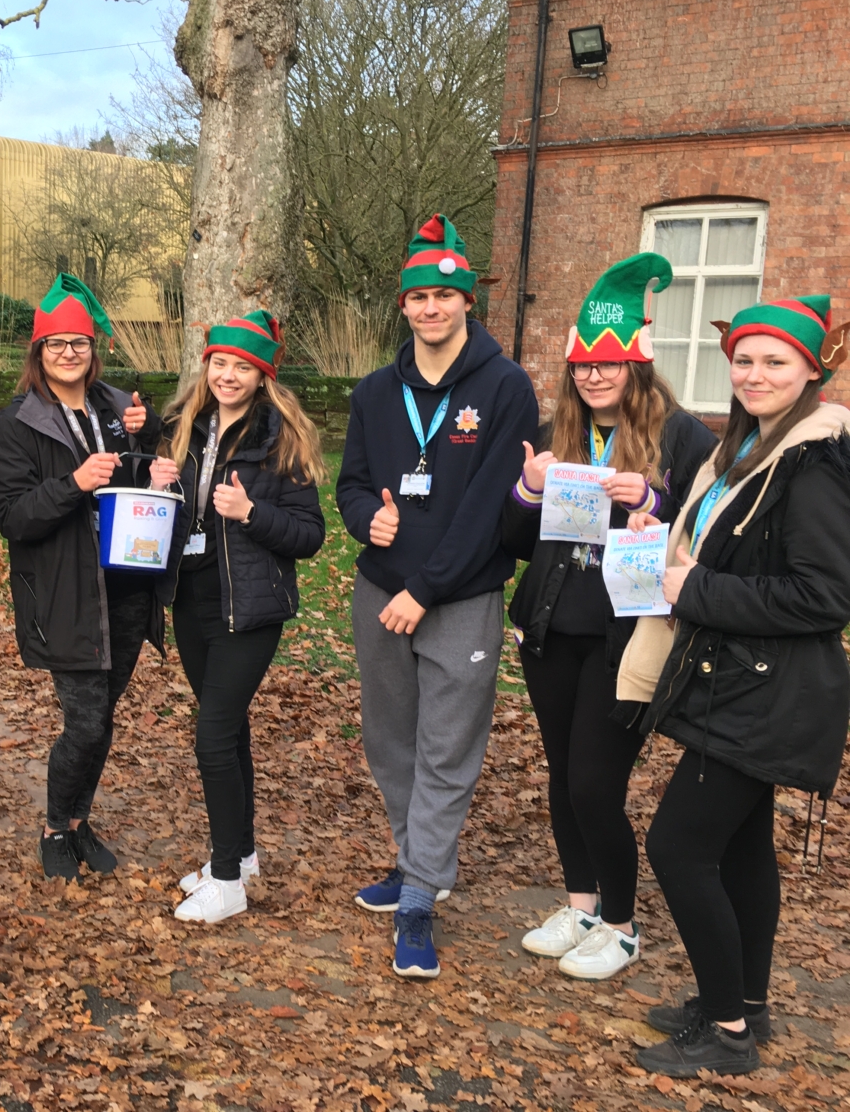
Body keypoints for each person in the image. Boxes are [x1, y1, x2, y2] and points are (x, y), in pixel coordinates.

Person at [618, 296, 850, 1078]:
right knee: (743, 850)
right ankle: (746, 1002)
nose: (754, 374)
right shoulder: (746, 446)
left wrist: (695, 588)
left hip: (770, 694)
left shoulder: (814, 461)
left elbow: (823, 597)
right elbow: (730, 552)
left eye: (774, 361)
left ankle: (725, 1032)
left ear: (812, 371)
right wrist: (674, 552)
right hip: (738, 683)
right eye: (744, 359)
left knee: (678, 846)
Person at [502, 254, 716, 980]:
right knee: (564, 775)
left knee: (596, 781)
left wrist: (652, 505)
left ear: (638, 366)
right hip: (553, 628)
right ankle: (582, 904)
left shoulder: (684, 438)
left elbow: (707, 539)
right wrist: (527, 492)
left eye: (611, 362)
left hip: (629, 637)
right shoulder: (548, 430)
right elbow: (511, 544)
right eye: (584, 365)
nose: (595, 376)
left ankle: (621, 925)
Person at [337, 214, 538, 978]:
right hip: (380, 591)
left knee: (446, 748)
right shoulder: (374, 391)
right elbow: (349, 483)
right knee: (391, 740)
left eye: (443, 296)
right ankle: (416, 857)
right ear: (403, 306)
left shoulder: (505, 385)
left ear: (466, 303)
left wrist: (425, 588)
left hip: (458, 598)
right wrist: (368, 517)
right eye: (417, 296)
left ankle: (420, 894)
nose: (430, 308)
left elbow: (491, 507)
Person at [0, 274, 169, 881]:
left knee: (103, 719)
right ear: (38, 353)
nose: (69, 353)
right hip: (65, 593)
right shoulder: (19, 423)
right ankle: (54, 826)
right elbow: (12, 517)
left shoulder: (118, 406)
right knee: (85, 721)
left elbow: (142, 473)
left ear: (95, 350)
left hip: (125, 585)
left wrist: (151, 445)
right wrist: (74, 484)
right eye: (56, 344)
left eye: (80, 343)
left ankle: (79, 818)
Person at [160, 311, 325, 923]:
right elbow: (169, 513)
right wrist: (157, 483)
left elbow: (311, 534)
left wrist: (253, 512)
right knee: (228, 733)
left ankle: (226, 880)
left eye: (243, 367)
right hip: (193, 600)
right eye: (219, 362)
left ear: (263, 376)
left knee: (211, 738)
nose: (228, 375)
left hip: (250, 611)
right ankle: (244, 853)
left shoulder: (280, 438)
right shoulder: (184, 424)